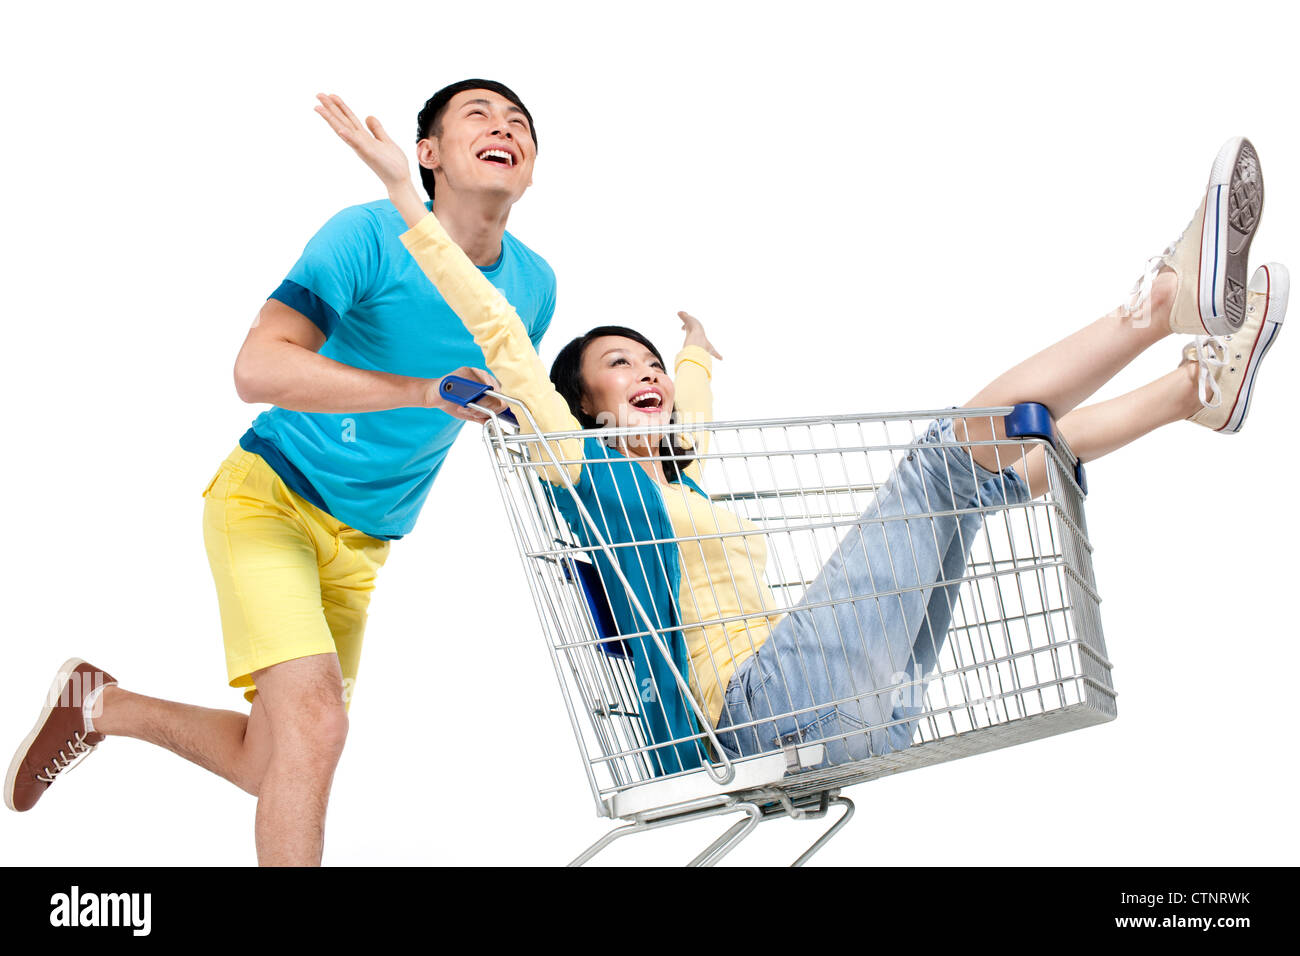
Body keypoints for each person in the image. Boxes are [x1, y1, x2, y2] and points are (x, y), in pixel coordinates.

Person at [327, 105, 1287, 774]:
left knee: (979, 480)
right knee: (943, 458)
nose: (647, 373)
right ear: (581, 411)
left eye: (648, 362)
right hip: (762, 714)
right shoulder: (576, 469)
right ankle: (1162, 305)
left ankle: (1190, 389)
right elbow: (499, 329)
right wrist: (405, 199)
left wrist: (694, 352)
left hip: (845, 702)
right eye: (620, 368)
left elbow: (685, 416)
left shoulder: (680, 481)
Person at [4, 80, 553, 866]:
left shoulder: (535, 286)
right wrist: (419, 393)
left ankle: (99, 705)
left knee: (273, 761)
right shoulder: (363, 236)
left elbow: (527, 413)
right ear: (427, 155)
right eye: (480, 116)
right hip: (271, 499)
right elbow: (256, 367)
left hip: (364, 547)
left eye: (519, 124)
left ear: (529, 168)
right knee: (319, 727)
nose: (504, 128)